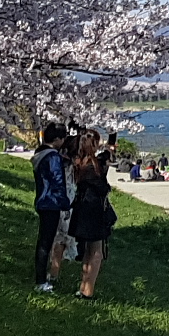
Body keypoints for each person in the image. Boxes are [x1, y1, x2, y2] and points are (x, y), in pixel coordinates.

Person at [69, 131, 117, 298]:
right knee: (97, 252)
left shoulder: (79, 162)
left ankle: (83, 286)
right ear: (94, 145)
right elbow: (102, 187)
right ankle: (88, 291)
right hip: (95, 210)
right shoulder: (94, 166)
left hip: (82, 208)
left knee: (88, 250)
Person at [31, 125, 72, 292]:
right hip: (51, 203)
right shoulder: (53, 156)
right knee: (46, 243)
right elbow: (58, 181)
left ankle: (41, 277)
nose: (63, 142)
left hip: (42, 200)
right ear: (56, 139)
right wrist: (65, 204)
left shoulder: (39, 154)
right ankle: (41, 281)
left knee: (43, 241)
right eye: (62, 138)